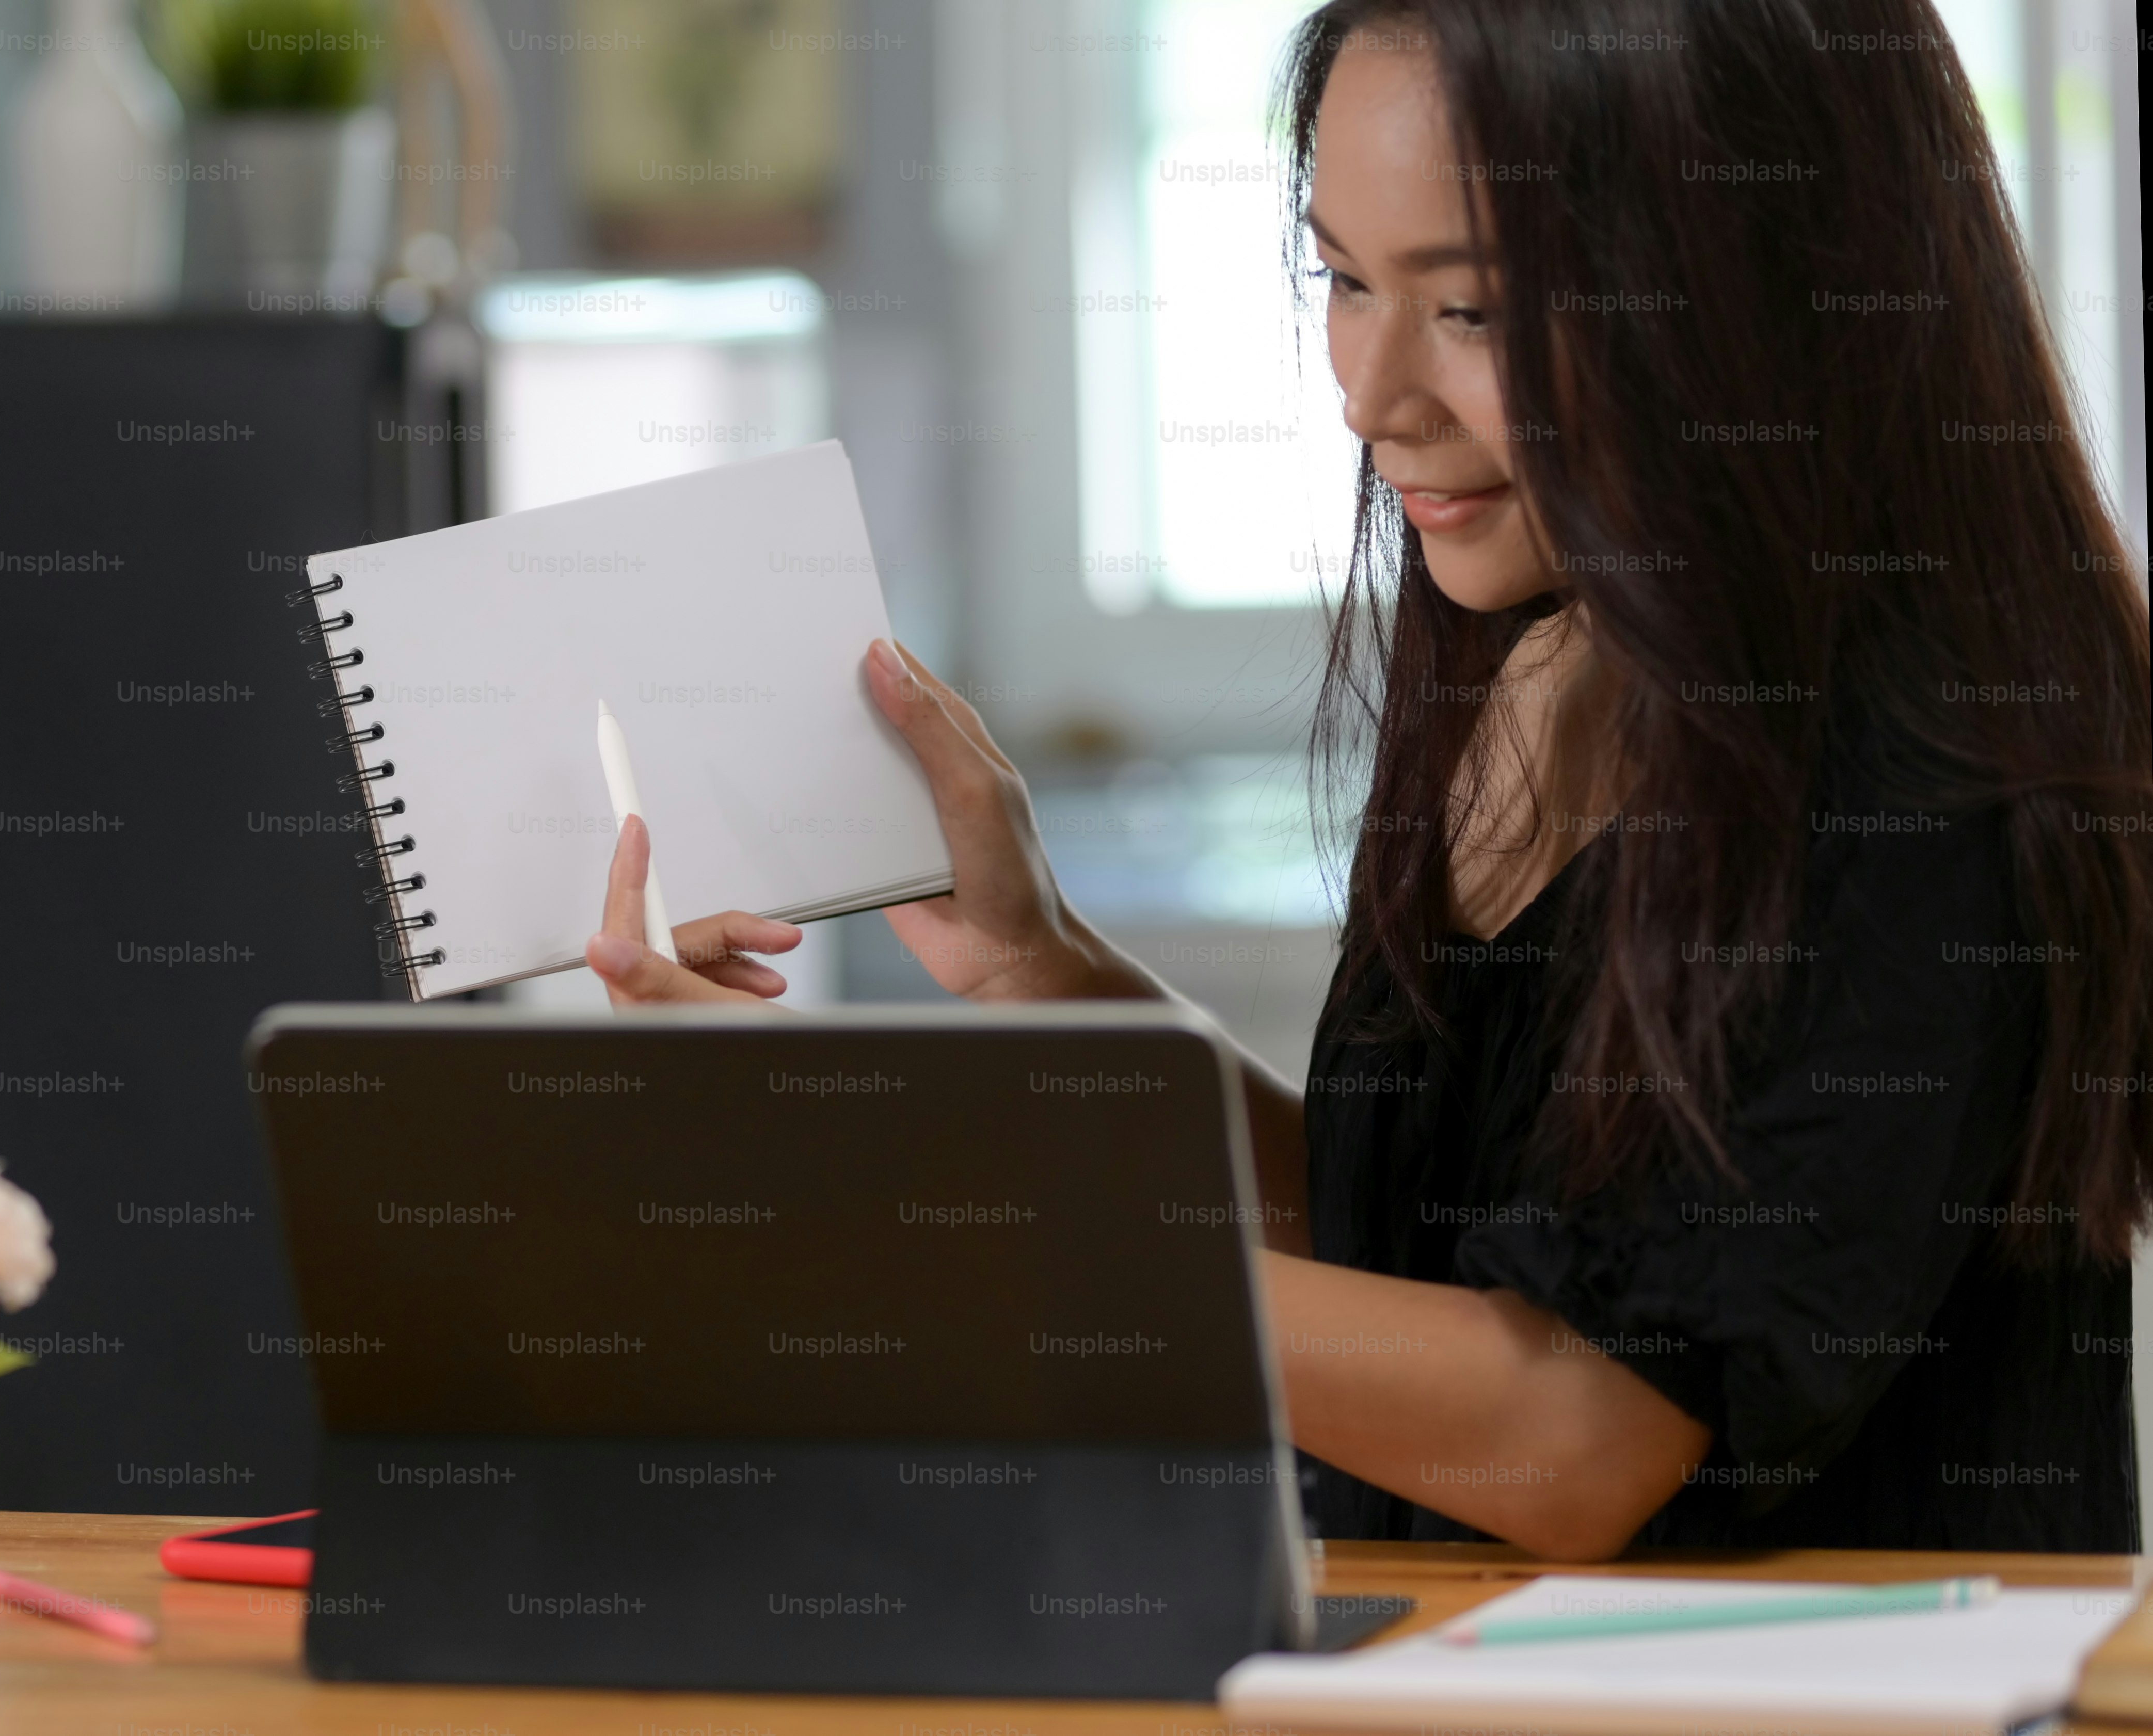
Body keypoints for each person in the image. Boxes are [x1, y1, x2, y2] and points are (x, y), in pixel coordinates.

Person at [589, 0, 2153, 1558]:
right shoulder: (1535, 643)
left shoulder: (1937, 754)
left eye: (1470, 310)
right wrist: (1037, 970)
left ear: (1753, 289)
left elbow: (1580, 1433)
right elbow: (1403, 1243)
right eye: (1342, 280)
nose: (1370, 397)